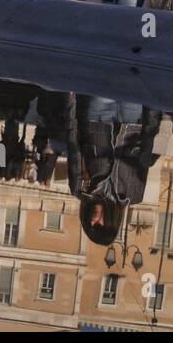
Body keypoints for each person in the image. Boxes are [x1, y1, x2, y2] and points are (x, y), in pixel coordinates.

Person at [65, 94, 161, 249]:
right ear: (112, 222)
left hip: (97, 121)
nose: (92, 221)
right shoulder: (133, 195)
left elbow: (73, 147)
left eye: (89, 225)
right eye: (98, 225)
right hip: (132, 127)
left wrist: (71, 108)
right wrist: (152, 120)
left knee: (107, 77)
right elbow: (144, 155)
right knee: (133, 81)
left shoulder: (80, 190)